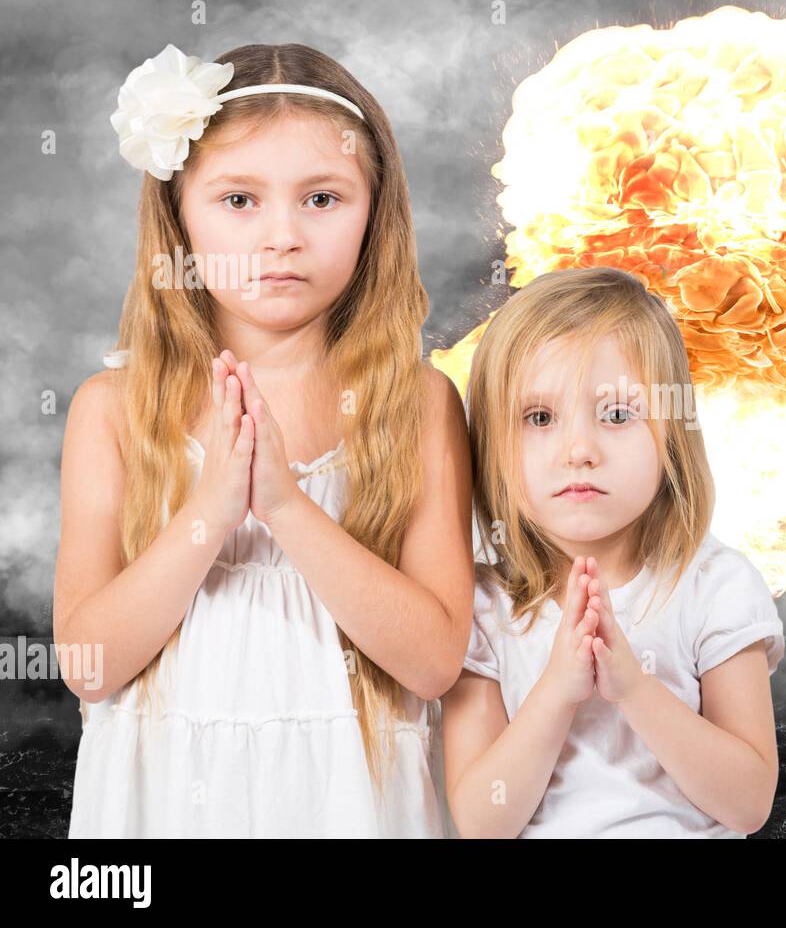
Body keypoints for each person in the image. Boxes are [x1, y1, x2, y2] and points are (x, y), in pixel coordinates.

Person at [54, 43, 473, 837]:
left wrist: (285, 506)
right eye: (239, 200)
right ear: (179, 215)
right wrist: (212, 507)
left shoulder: (415, 405)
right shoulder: (111, 410)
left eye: (322, 199)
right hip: (167, 805)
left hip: (353, 802)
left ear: (374, 213)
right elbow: (89, 667)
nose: (281, 236)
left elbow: (433, 661)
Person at [442, 266, 784, 837]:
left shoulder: (715, 587)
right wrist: (557, 690)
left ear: (671, 433)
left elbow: (748, 803)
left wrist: (634, 688)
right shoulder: (482, 606)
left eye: (618, 415)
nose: (579, 449)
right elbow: (482, 819)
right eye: (539, 417)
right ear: (494, 445)